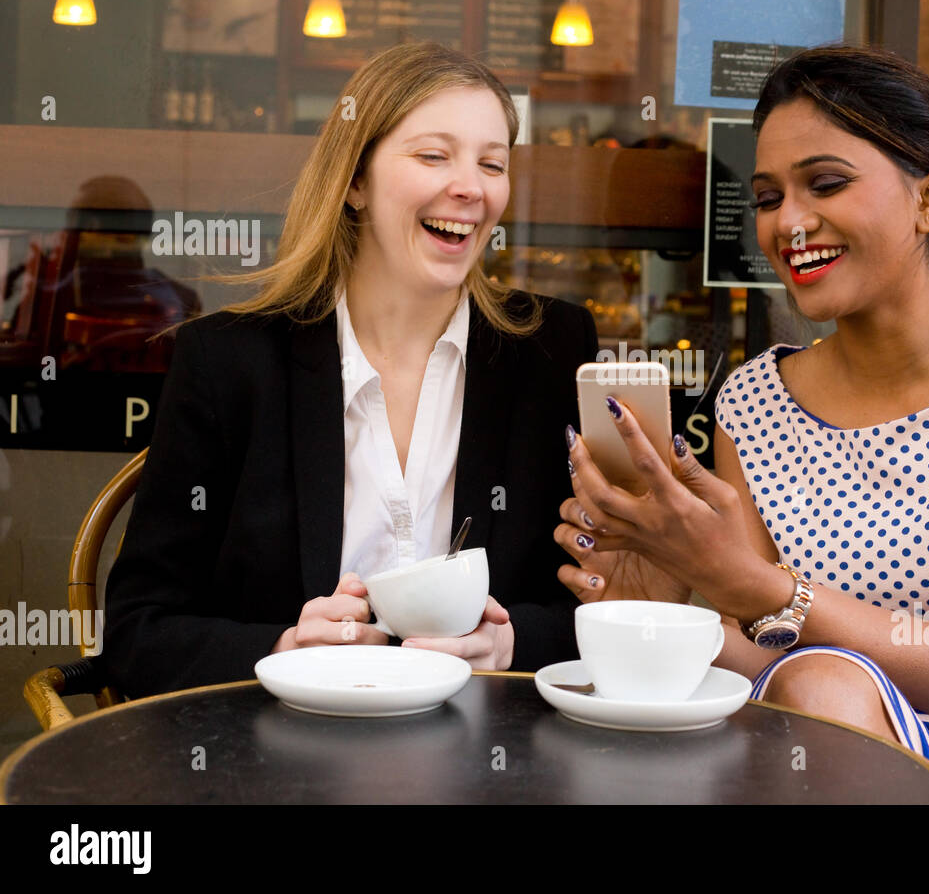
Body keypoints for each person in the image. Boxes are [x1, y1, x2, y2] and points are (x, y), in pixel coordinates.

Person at [554, 45, 929, 804]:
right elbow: (769, 670)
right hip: (814, 759)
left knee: (820, 688)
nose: (789, 223)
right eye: (765, 198)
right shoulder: (753, 401)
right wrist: (656, 609)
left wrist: (752, 584)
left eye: (826, 183)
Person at [103, 43, 596, 698]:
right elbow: (138, 635)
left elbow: (605, 604)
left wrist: (512, 643)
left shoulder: (551, 348)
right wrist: (282, 650)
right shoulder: (227, 362)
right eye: (433, 155)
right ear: (356, 181)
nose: (471, 187)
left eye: (492, 163)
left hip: (491, 768)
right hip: (279, 770)